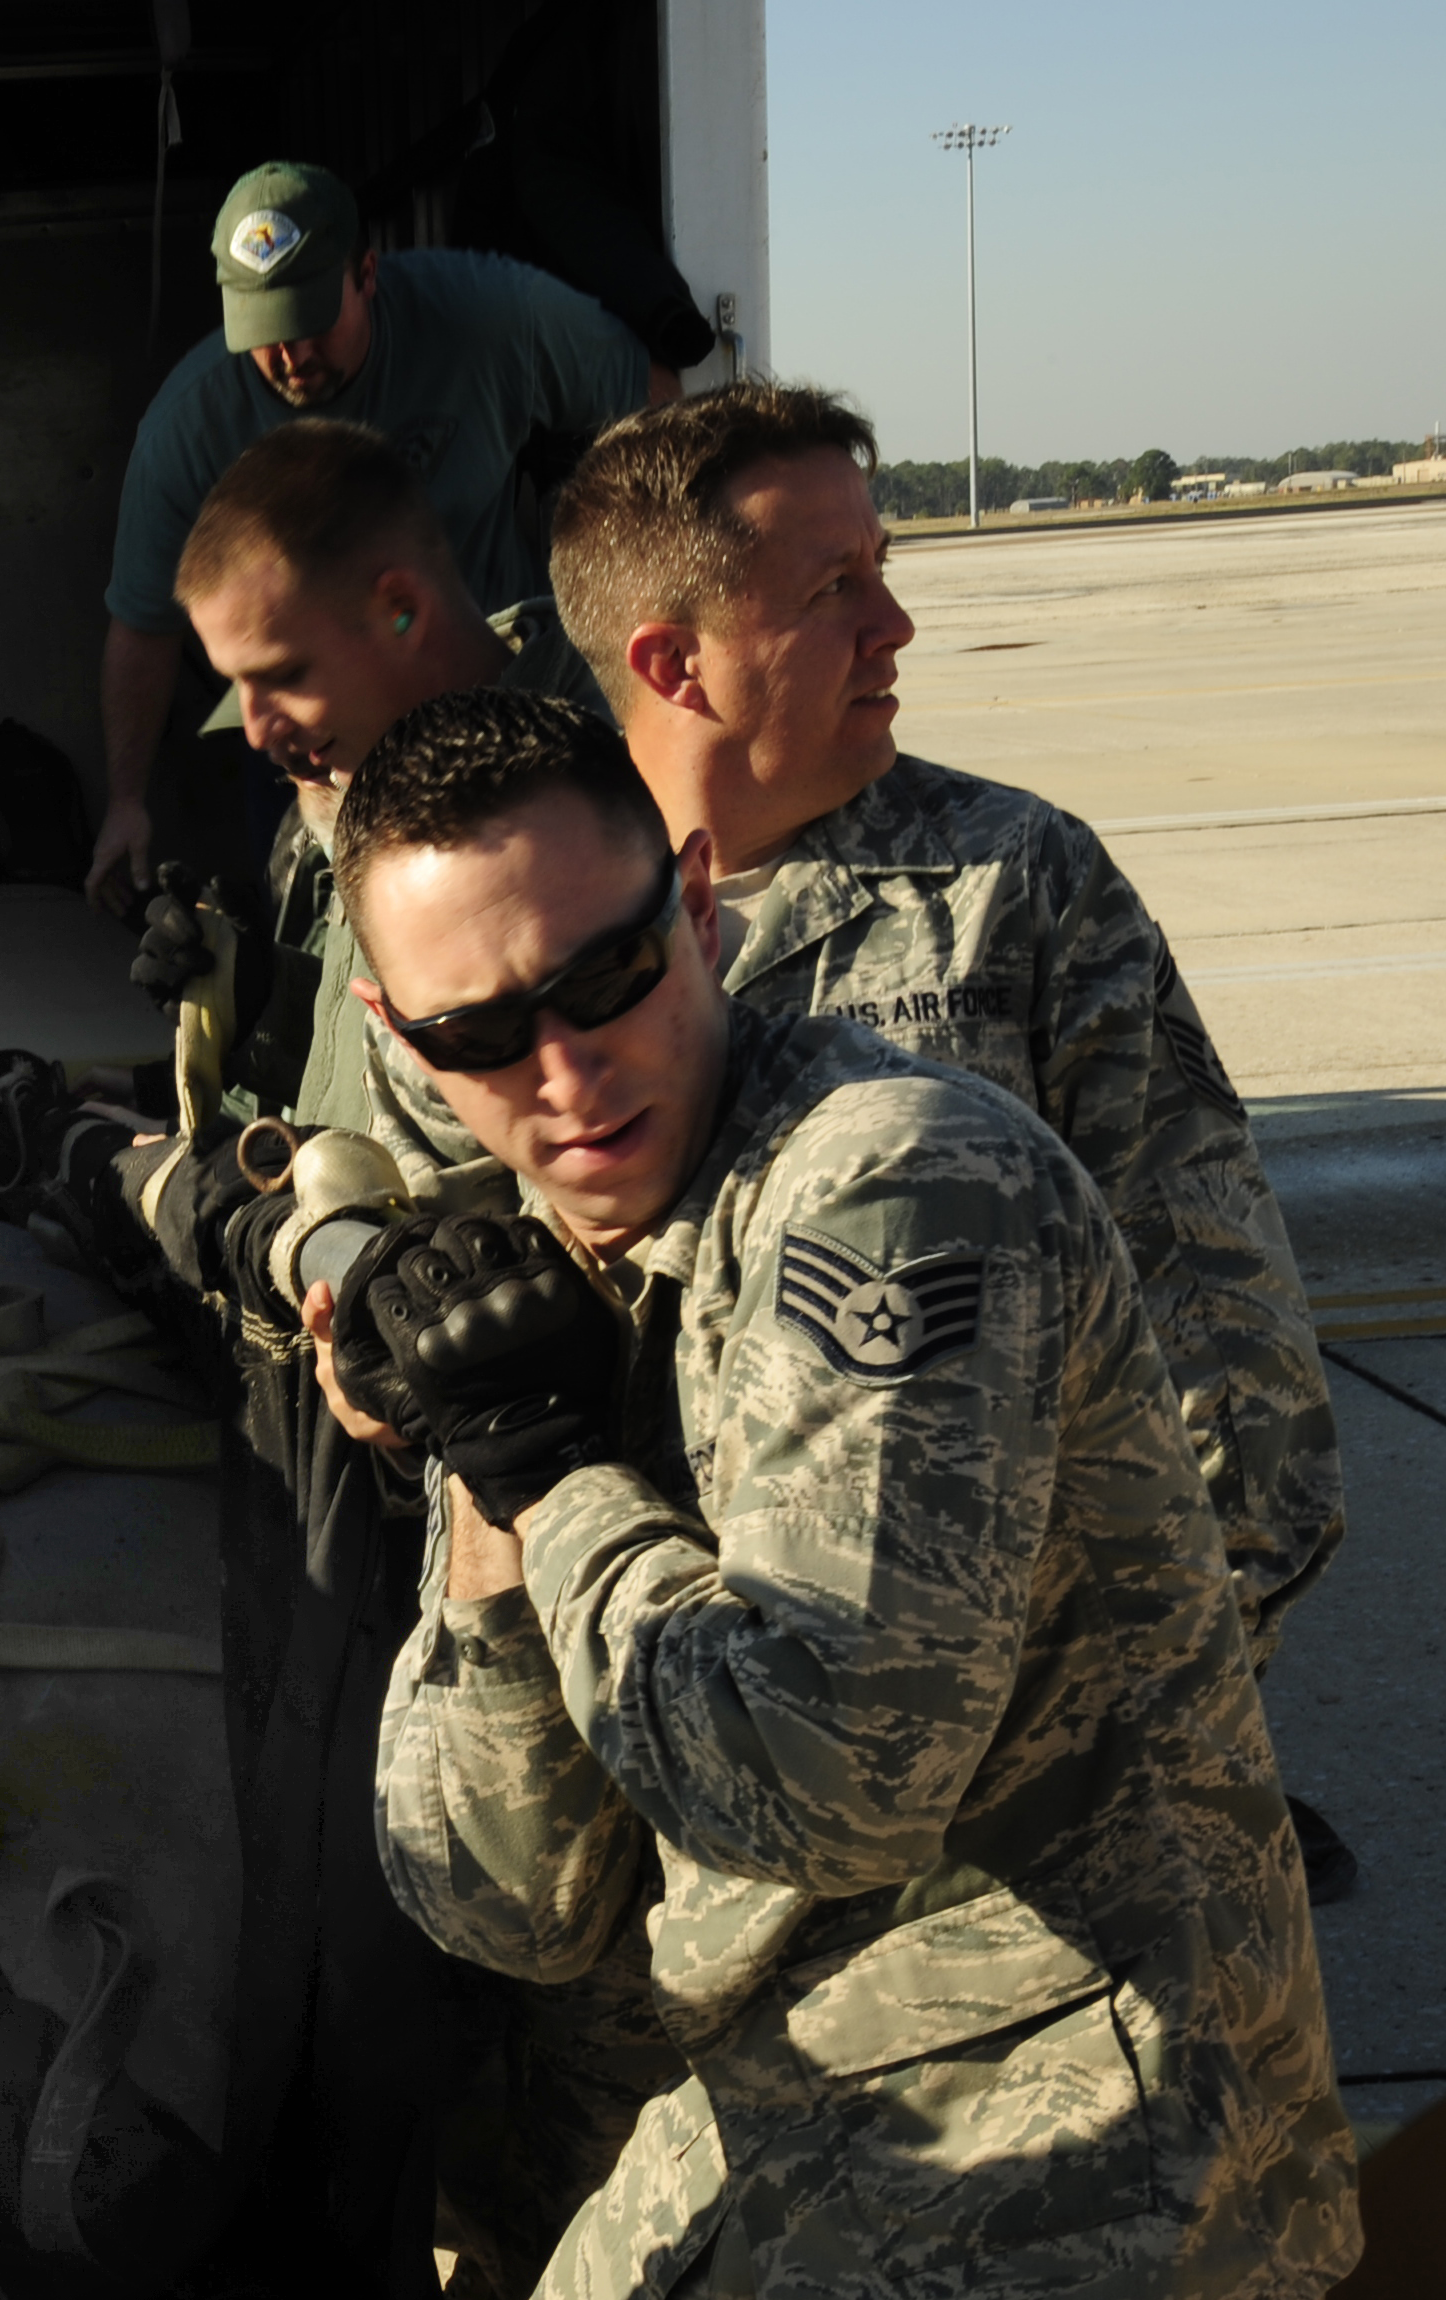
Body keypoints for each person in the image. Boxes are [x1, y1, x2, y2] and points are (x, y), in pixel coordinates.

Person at [314, 689, 1366, 2300]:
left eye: (606, 977)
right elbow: (494, 1896)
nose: (563, 1069)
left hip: (1065, 2205)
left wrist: (553, 1473)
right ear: (388, 1032)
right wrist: (493, 1523)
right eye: (477, 1037)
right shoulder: (557, 1267)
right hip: (779, 2133)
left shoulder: (892, 1191)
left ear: (694, 906)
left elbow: (825, 1780)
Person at [497, 383, 1351, 1860]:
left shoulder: (1015, 889)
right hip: (635, 1771)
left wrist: (1129, 1726)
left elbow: (1229, 1367)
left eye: (882, 572)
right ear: (670, 662)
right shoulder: (495, 929)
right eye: (836, 591)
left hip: (1007, 1814)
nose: (895, 627)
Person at [90, 159, 671, 914]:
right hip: (316, 749)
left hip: (498, 693)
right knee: (320, 926)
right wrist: (127, 800)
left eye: (309, 321)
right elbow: (143, 625)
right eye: (264, 333)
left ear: (368, 274)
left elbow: (656, 407)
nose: (290, 356)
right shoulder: (187, 429)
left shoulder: (491, 320)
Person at [135, 419, 605, 1137]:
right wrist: (259, 998)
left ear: (400, 610)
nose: (257, 731)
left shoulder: (598, 792)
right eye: (237, 687)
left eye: (285, 675)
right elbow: (375, 1082)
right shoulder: (342, 779)